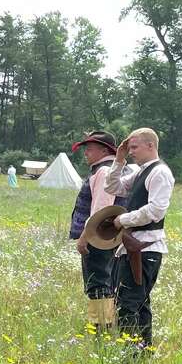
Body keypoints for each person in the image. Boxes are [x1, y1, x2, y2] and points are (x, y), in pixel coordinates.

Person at [103, 127, 174, 350]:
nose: (131, 151)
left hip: (145, 248)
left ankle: (131, 354)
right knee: (136, 302)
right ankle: (141, 351)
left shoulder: (159, 172)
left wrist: (123, 219)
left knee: (129, 304)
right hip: (134, 247)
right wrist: (119, 160)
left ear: (150, 145)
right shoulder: (143, 171)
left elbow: (156, 210)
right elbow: (112, 186)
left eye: (134, 147)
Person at [69, 130, 123, 333]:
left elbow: (101, 209)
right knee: (106, 282)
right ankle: (106, 326)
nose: (85, 153)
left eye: (89, 149)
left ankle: (101, 329)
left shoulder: (103, 172)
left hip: (99, 238)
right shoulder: (107, 169)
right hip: (108, 237)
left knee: (98, 283)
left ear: (103, 150)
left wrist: (85, 237)